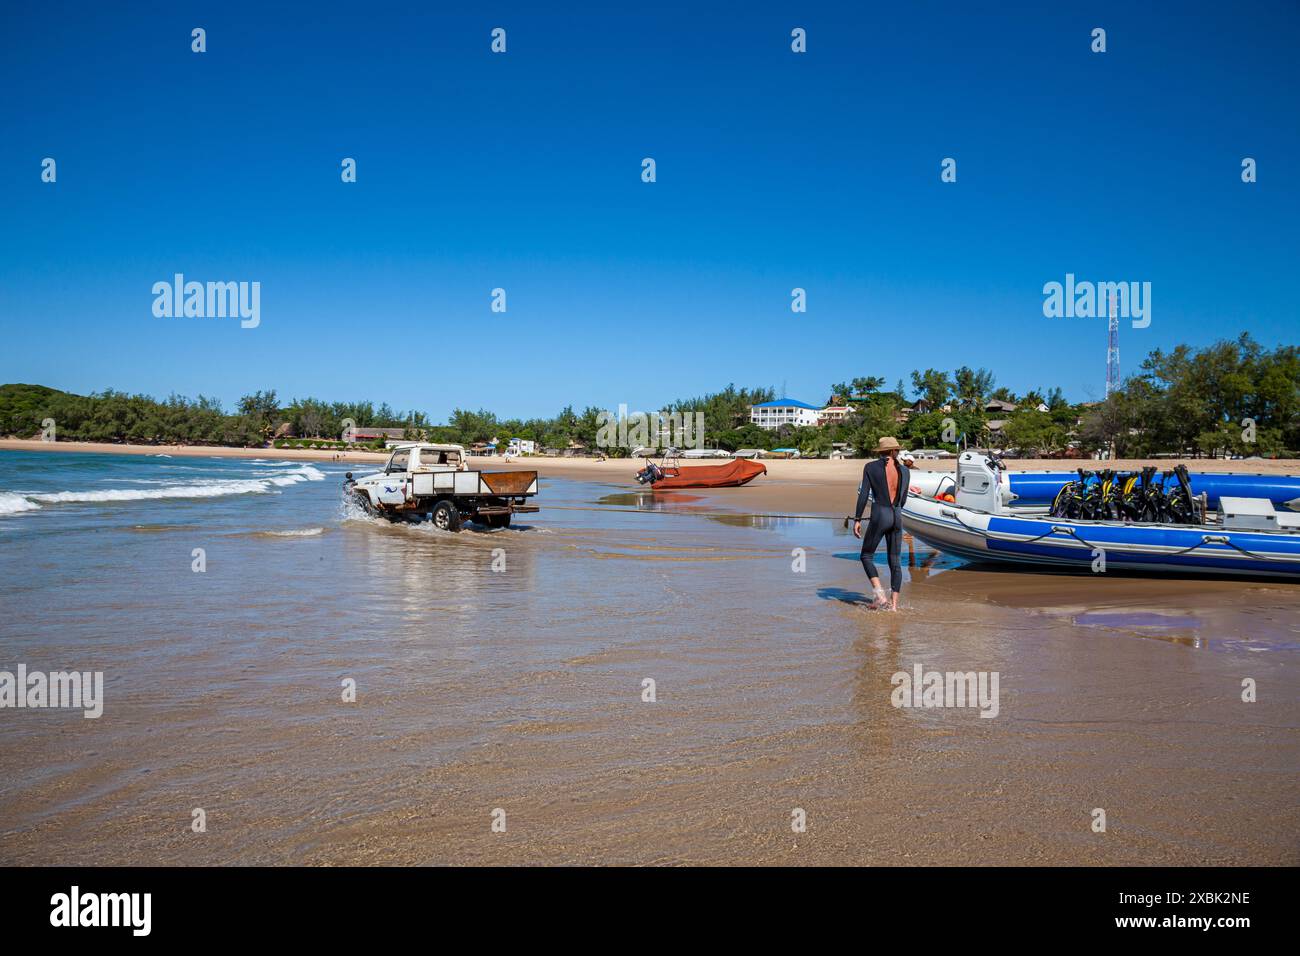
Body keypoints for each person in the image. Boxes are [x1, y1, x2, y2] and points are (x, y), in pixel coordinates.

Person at [852, 436, 911, 610]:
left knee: (866, 555)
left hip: (880, 515)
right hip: (897, 516)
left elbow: (864, 495)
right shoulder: (906, 471)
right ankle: (893, 606)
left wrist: (857, 519)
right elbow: (904, 499)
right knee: (895, 561)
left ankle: (880, 596)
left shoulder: (871, 467)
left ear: (881, 451)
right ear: (894, 451)